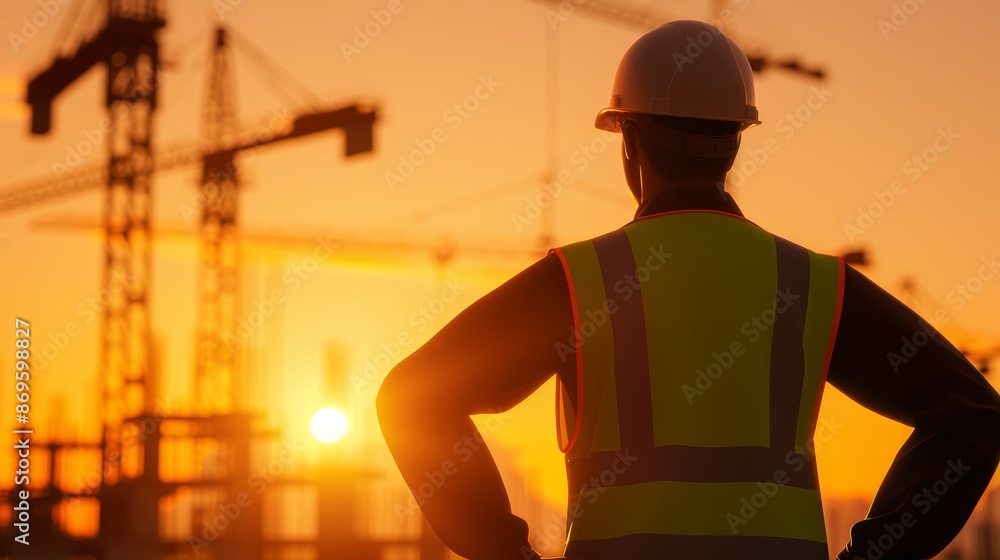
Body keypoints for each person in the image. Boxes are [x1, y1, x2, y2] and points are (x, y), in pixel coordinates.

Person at [376, 20, 1000, 560]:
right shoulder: (814, 283)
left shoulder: (578, 283)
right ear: (733, 143)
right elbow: (974, 418)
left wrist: (504, 550)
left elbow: (412, 399)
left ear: (629, 141)